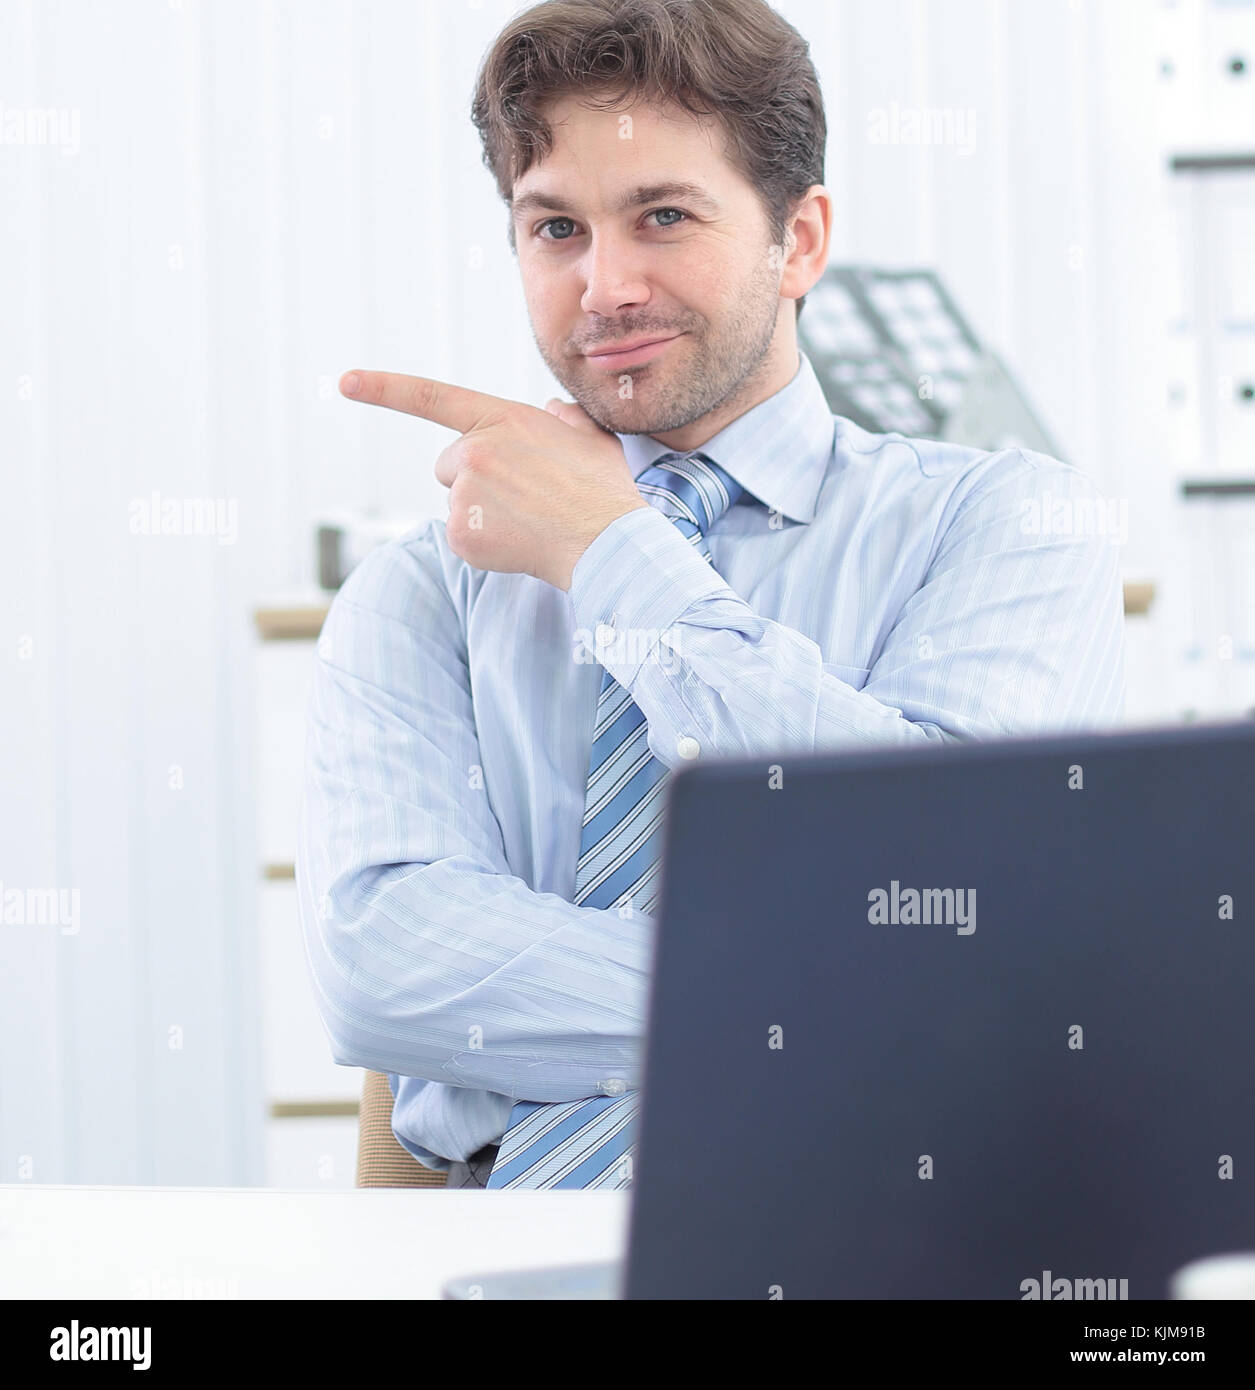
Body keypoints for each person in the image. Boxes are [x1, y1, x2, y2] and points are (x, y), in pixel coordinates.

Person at [296, 0, 1125, 1190]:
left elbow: (956, 886)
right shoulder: (423, 590)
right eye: (557, 229)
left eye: (665, 216)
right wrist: (854, 986)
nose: (606, 286)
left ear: (799, 239)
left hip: (883, 1228)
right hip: (503, 1247)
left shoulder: (1002, 524)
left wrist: (610, 548)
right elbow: (384, 969)